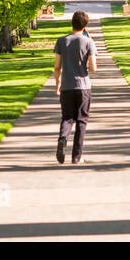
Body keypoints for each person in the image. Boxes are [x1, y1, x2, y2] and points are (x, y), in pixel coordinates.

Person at [53, 10, 97, 164]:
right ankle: (76, 157)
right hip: (83, 86)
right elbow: (93, 68)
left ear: (71, 23)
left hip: (67, 86)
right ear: (85, 26)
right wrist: (89, 44)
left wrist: (58, 85)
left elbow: (57, 67)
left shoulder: (61, 41)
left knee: (67, 118)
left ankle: (63, 140)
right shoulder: (88, 42)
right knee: (81, 121)